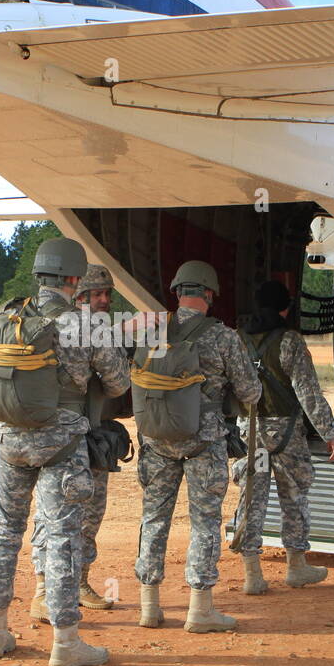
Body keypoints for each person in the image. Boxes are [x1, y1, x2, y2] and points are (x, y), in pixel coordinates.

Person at [0, 238, 130, 666]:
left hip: (8, 442)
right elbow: (118, 383)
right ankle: (65, 642)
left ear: (39, 275)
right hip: (62, 444)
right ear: (74, 280)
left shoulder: (6, 315)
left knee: (4, 532)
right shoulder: (85, 325)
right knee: (62, 536)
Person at [134, 260, 261, 633]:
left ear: (177, 292)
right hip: (204, 441)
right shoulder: (223, 337)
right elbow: (251, 393)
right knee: (204, 522)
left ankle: (149, 606)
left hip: (156, 439)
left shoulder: (153, 331)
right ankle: (200, 609)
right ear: (208, 294)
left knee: (154, 519)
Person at [232, 280, 334, 594]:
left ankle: (253, 575)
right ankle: (296, 567)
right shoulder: (289, 341)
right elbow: (308, 393)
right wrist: (328, 432)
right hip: (286, 432)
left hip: (249, 430)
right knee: (293, 496)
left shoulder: (237, 339)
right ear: (284, 308)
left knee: (251, 498)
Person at [28, 263, 118, 620]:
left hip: (93, 435)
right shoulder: (69, 330)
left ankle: (78, 581)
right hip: (65, 435)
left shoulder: (98, 330)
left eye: (107, 294)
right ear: (78, 296)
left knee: (91, 511)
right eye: (97, 294)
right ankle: (43, 588)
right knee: (52, 513)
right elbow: (117, 382)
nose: (104, 301)